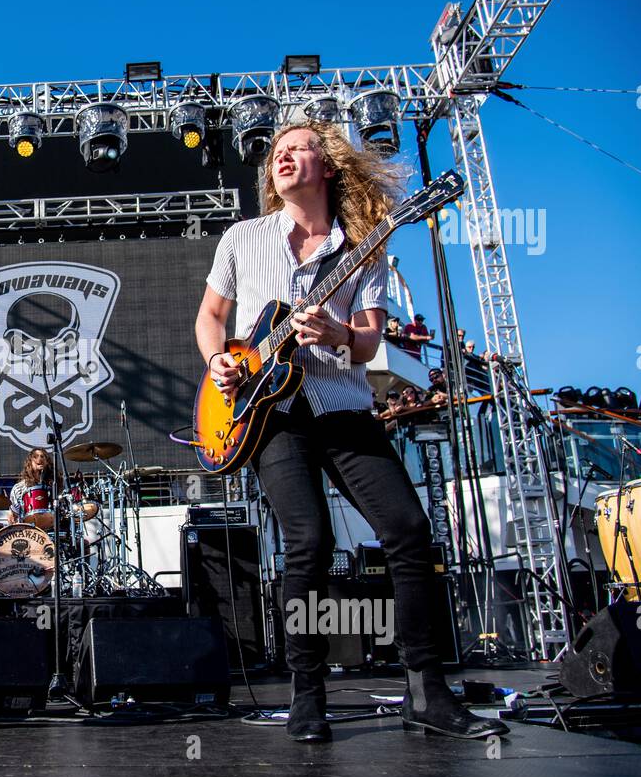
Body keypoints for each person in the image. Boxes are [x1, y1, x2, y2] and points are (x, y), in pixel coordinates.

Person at [196, 118, 504, 743]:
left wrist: (341, 336)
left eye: (297, 149)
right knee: (305, 542)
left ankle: (427, 690)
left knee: (409, 531)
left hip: (341, 402)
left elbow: (365, 342)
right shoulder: (242, 238)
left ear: (329, 166)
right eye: (276, 153)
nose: (281, 158)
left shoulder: (365, 245)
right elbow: (210, 317)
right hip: (269, 414)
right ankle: (307, 695)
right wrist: (219, 361)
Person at [8, 447, 54, 525]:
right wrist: (11, 514)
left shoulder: (54, 485)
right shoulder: (19, 488)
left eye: (43, 456)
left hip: (53, 530)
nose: (39, 458)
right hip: (28, 531)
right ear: (30, 463)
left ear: (47, 462)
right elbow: (13, 514)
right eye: (36, 456)